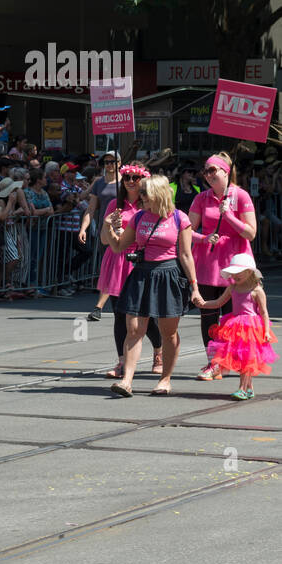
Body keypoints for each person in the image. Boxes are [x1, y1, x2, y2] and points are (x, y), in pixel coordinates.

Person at [106, 176, 199, 397]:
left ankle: (165, 379)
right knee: (134, 329)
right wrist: (110, 228)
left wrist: (194, 286)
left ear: (159, 194)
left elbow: (186, 255)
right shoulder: (139, 217)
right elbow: (119, 246)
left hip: (168, 276)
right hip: (141, 275)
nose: (143, 199)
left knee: (169, 333)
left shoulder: (179, 218)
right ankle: (127, 381)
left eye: (146, 195)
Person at [189, 153, 257, 381]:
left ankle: (228, 361)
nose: (207, 175)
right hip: (208, 266)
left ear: (225, 172)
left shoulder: (241, 195)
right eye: (205, 171)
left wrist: (228, 215)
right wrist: (204, 238)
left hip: (236, 267)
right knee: (208, 316)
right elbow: (188, 230)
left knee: (233, 319)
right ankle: (213, 363)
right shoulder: (201, 198)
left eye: (212, 170)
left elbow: (251, 232)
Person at [97, 164, 164, 378]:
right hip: (117, 260)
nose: (130, 180)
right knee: (119, 315)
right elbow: (103, 240)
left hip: (139, 261)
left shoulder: (148, 204)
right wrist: (111, 227)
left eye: (135, 177)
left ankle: (158, 352)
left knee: (146, 316)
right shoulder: (114, 206)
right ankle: (121, 362)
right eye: (126, 176)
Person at [201, 253, 275, 400]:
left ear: (249, 272)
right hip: (235, 328)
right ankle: (249, 389)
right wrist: (203, 304)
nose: (235, 276)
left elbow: (264, 313)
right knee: (242, 358)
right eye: (233, 273)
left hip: (252, 328)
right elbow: (218, 302)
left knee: (248, 358)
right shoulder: (232, 288)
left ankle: (242, 388)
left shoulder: (256, 290)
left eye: (239, 273)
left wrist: (266, 331)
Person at [82, 152, 120, 320]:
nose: (109, 165)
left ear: (119, 163)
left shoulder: (126, 180)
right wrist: (84, 228)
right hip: (105, 232)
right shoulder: (99, 183)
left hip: (123, 231)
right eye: (106, 162)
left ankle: (99, 307)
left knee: (115, 269)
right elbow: (91, 208)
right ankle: (111, 305)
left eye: (112, 161)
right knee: (108, 269)